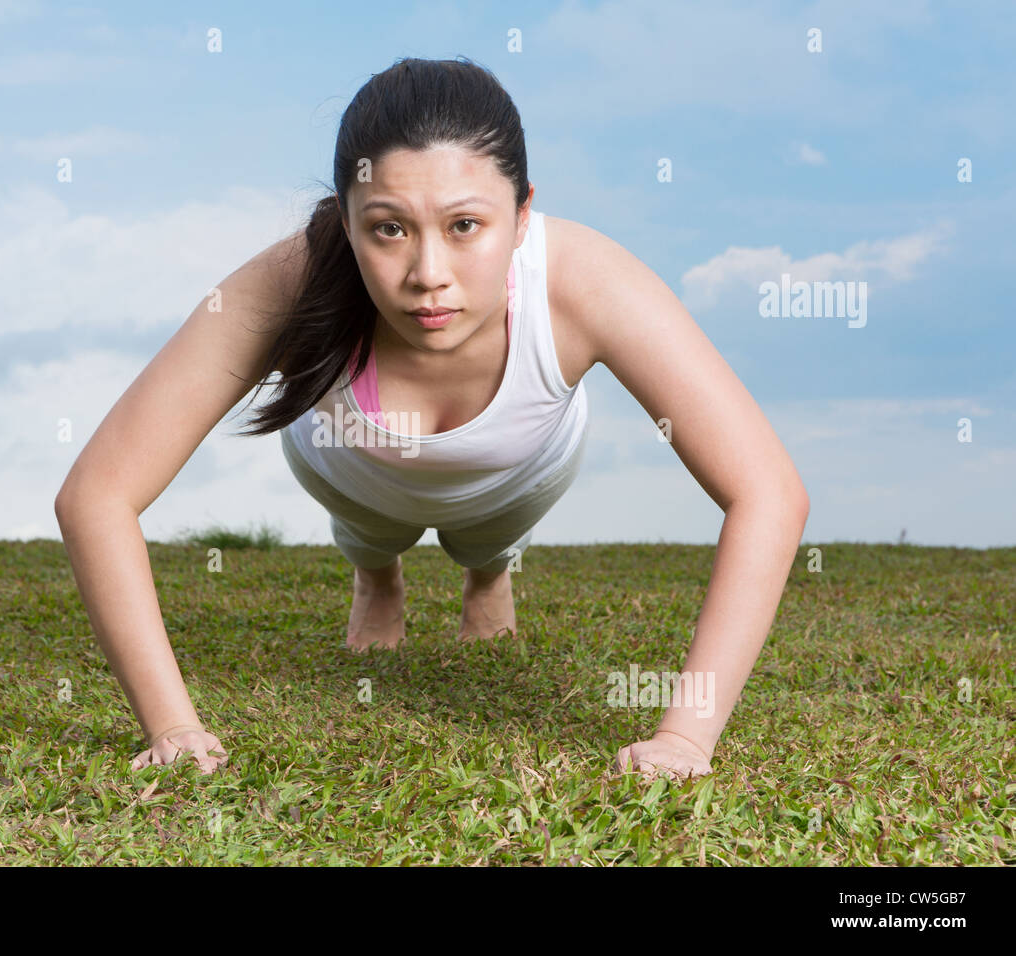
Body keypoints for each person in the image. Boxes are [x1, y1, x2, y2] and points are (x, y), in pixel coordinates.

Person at [55, 57, 809, 781]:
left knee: (488, 538)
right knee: (371, 531)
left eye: (465, 226)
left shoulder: (591, 281)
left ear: (521, 215)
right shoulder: (284, 281)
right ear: (346, 222)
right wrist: (171, 727)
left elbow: (768, 493)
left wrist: (684, 736)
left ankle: (487, 575)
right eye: (388, 228)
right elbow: (97, 495)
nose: (428, 275)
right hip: (347, 469)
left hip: (519, 470)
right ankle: (376, 577)